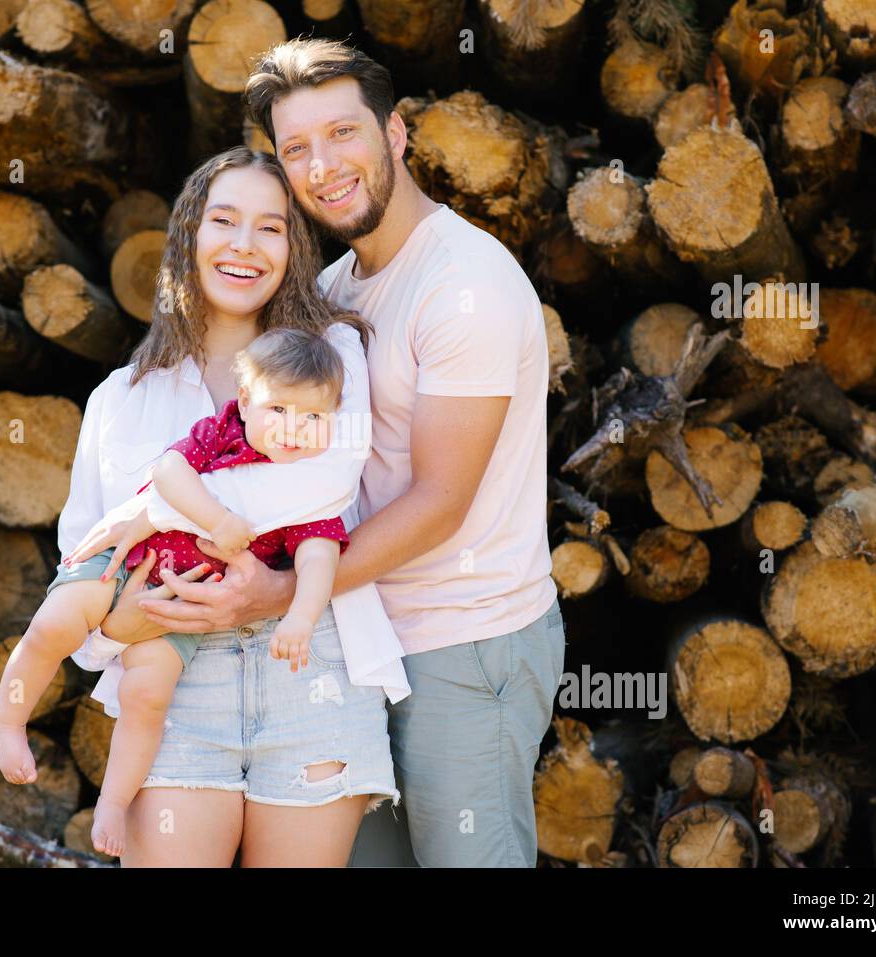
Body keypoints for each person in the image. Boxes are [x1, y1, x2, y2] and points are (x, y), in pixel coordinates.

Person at [73, 38, 565, 867]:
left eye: (343, 133)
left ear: (395, 134)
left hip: (462, 641)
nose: (323, 166)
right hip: (360, 644)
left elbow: (441, 500)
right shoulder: (332, 298)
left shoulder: (464, 285)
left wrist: (267, 588)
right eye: (297, 147)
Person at [48, 146, 409, 866]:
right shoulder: (121, 398)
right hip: (174, 685)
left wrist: (161, 509)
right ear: (190, 234)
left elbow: (326, 485)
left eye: (270, 227)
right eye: (224, 220)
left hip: (311, 666)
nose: (245, 244)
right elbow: (80, 562)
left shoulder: (333, 353)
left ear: (294, 248)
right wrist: (118, 622)